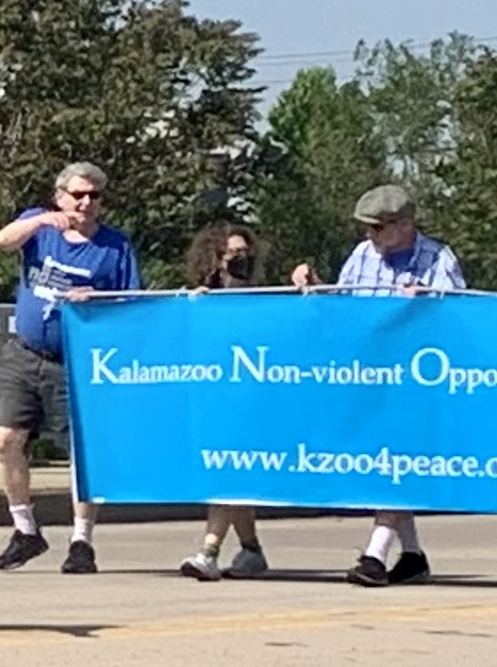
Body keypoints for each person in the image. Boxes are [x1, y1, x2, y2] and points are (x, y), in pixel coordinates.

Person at [292, 183, 465, 586]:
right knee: (386, 460)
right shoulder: (362, 255)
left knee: (396, 458)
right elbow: (346, 304)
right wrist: (314, 283)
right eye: (367, 229)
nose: (371, 237)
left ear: (404, 224)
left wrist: (427, 302)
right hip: (370, 374)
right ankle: (413, 556)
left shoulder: (437, 258)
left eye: (378, 228)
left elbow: (461, 316)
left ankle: (374, 555)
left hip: (417, 377)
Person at [0, 161, 140, 574]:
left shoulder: (114, 246)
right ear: (60, 196)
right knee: (5, 440)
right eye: (78, 195)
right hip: (26, 351)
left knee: (81, 453)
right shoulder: (39, 225)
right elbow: (2, 242)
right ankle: (25, 530)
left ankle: (82, 540)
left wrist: (98, 300)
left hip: (77, 361)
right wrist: (40, 223)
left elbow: (131, 304)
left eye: (94, 196)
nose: (86, 203)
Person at [174, 222, 275, 582]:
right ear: (214, 259)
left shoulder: (261, 301)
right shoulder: (199, 300)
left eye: (244, 254)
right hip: (209, 400)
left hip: (250, 403)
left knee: (228, 472)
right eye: (231, 254)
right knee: (234, 476)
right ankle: (251, 550)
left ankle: (209, 552)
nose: (239, 261)